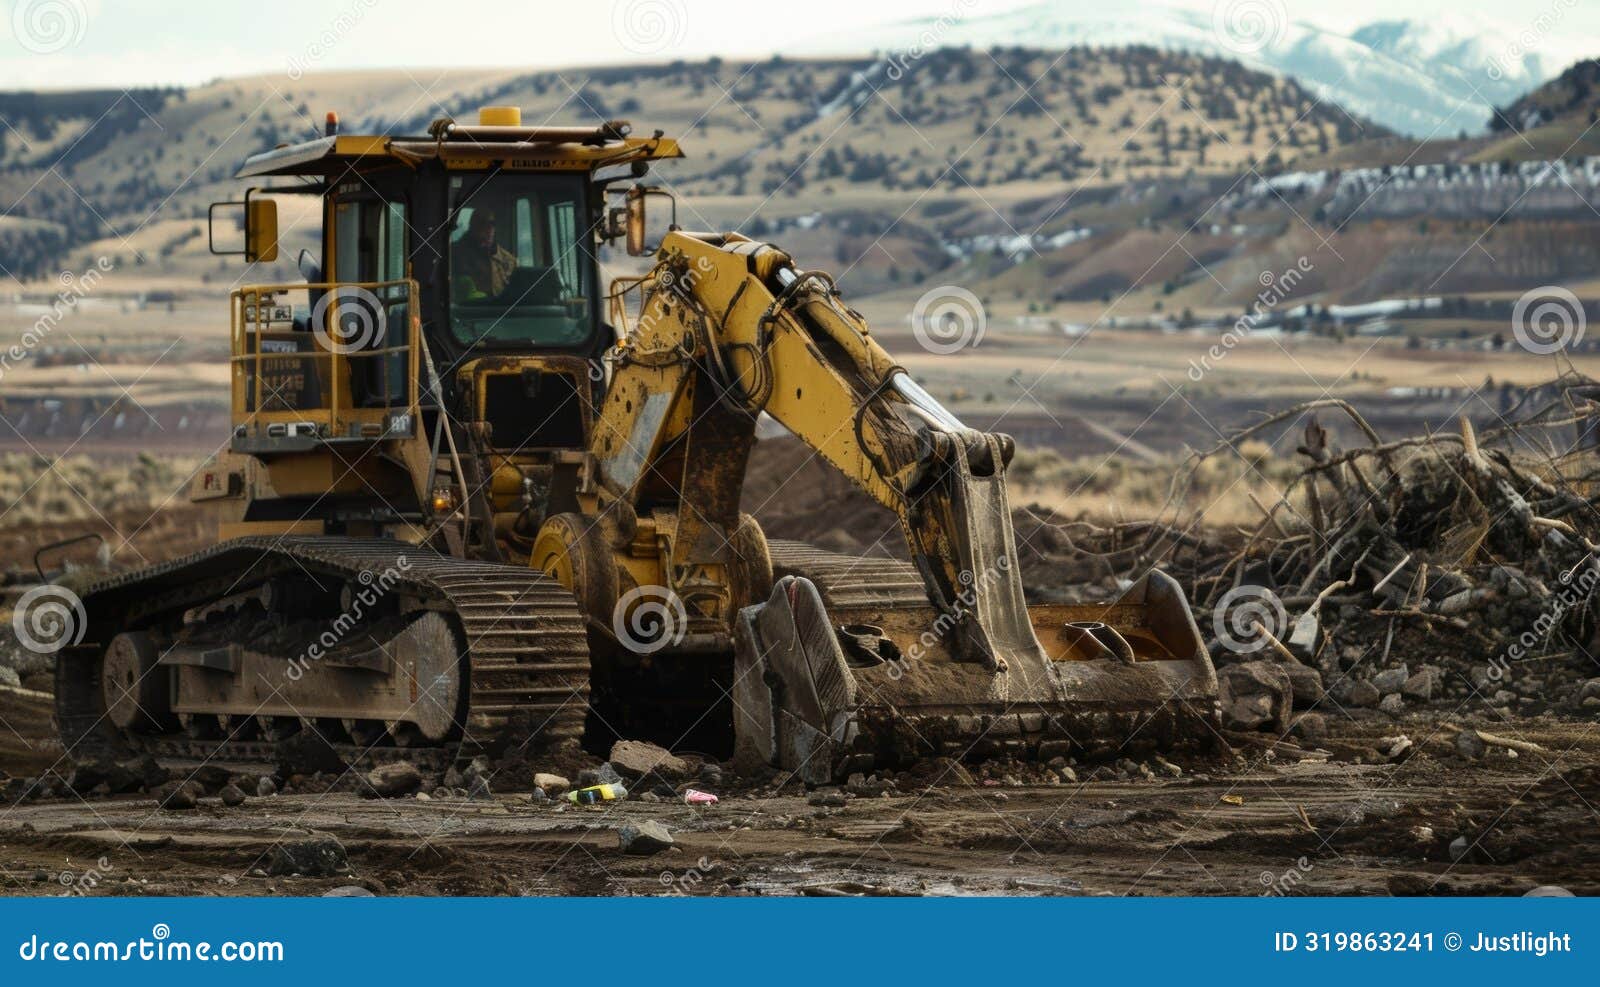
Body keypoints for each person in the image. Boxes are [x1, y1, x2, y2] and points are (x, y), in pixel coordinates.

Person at [453, 208, 516, 300]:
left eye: (492, 224)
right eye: (483, 223)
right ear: (472, 226)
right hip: (472, 310)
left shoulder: (507, 258)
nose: (490, 228)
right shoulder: (455, 252)